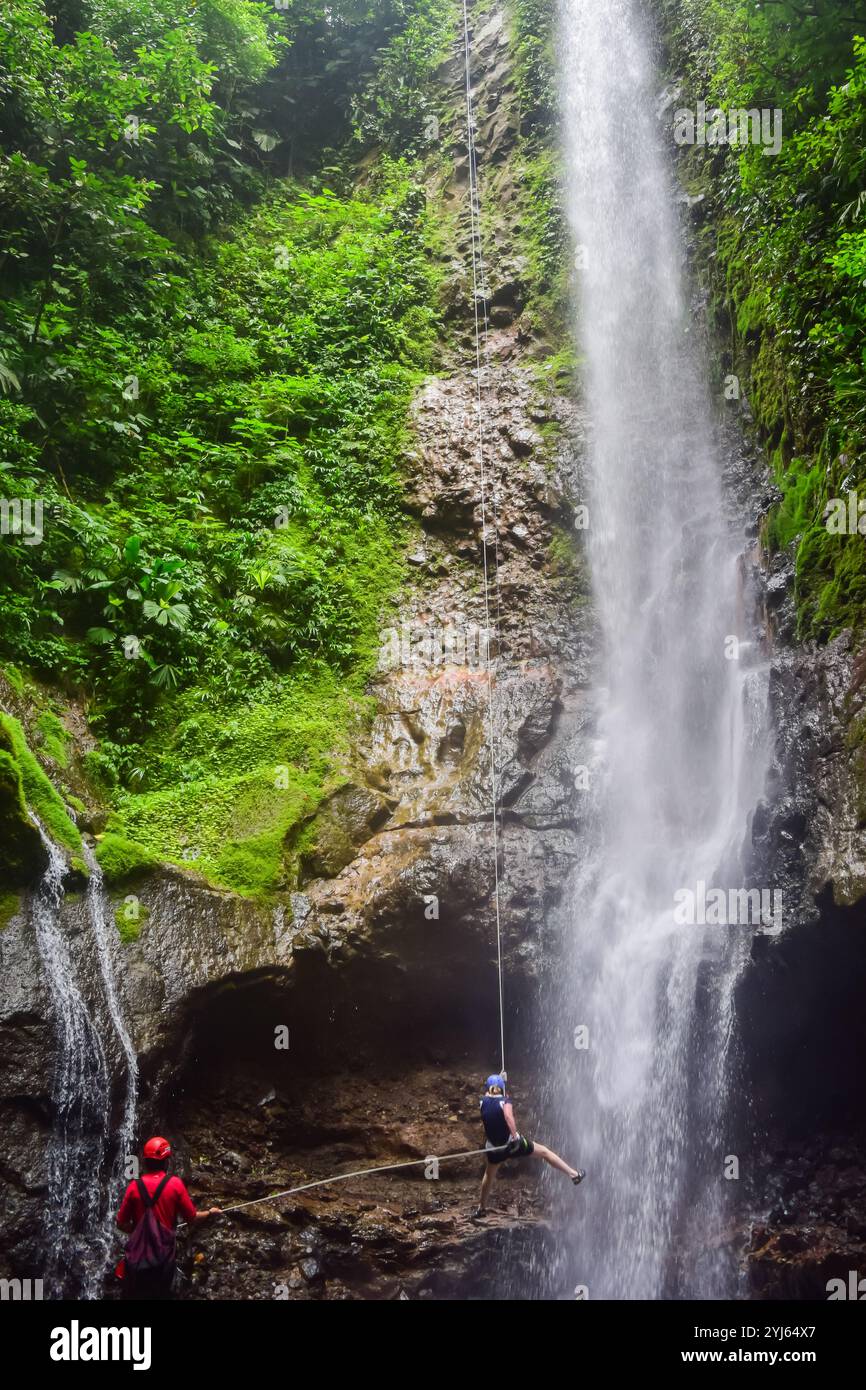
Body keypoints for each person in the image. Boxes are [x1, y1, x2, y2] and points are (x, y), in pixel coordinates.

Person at [116, 1136, 220, 1298]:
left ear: (145, 1161)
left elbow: (121, 1223)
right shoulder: (175, 1184)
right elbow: (191, 1218)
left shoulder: (134, 1186)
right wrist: (210, 1213)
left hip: (137, 1261)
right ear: (166, 1161)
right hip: (162, 1259)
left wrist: (139, 1230)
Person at [476, 1074, 584, 1215]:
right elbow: (508, 1116)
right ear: (502, 1089)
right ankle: (573, 1174)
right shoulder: (505, 1101)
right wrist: (515, 1137)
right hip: (511, 1144)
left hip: (494, 1148)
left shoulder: (482, 1101)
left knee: (489, 1175)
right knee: (544, 1152)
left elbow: (492, 1099)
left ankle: (481, 1208)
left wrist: (502, 1084)